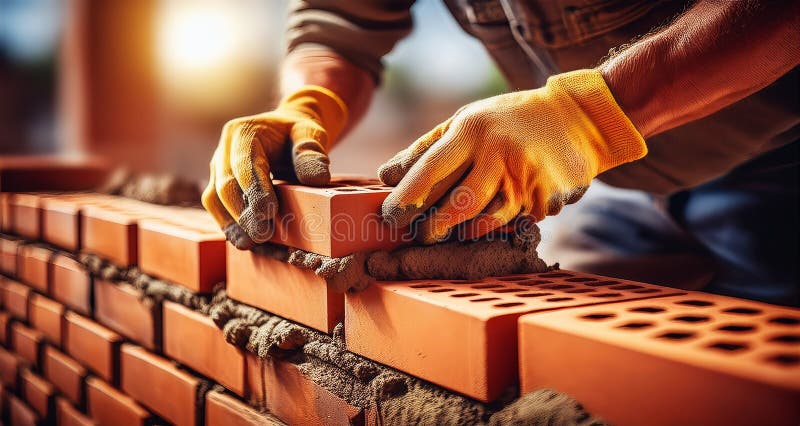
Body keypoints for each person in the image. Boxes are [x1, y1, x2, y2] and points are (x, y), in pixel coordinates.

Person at [201, 1, 800, 306]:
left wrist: (588, 119)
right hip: (610, 186)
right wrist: (307, 103)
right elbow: (338, 24)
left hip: (780, 165)